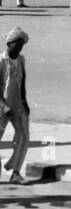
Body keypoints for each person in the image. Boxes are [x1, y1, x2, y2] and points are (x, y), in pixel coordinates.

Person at [0, 27, 31, 184]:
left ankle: (16, 172)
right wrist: (5, 108)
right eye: (17, 45)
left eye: (21, 46)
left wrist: (25, 102)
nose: (19, 49)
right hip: (2, 107)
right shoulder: (1, 61)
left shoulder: (21, 60)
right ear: (9, 44)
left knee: (24, 137)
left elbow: (23, 81)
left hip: (18, 104)